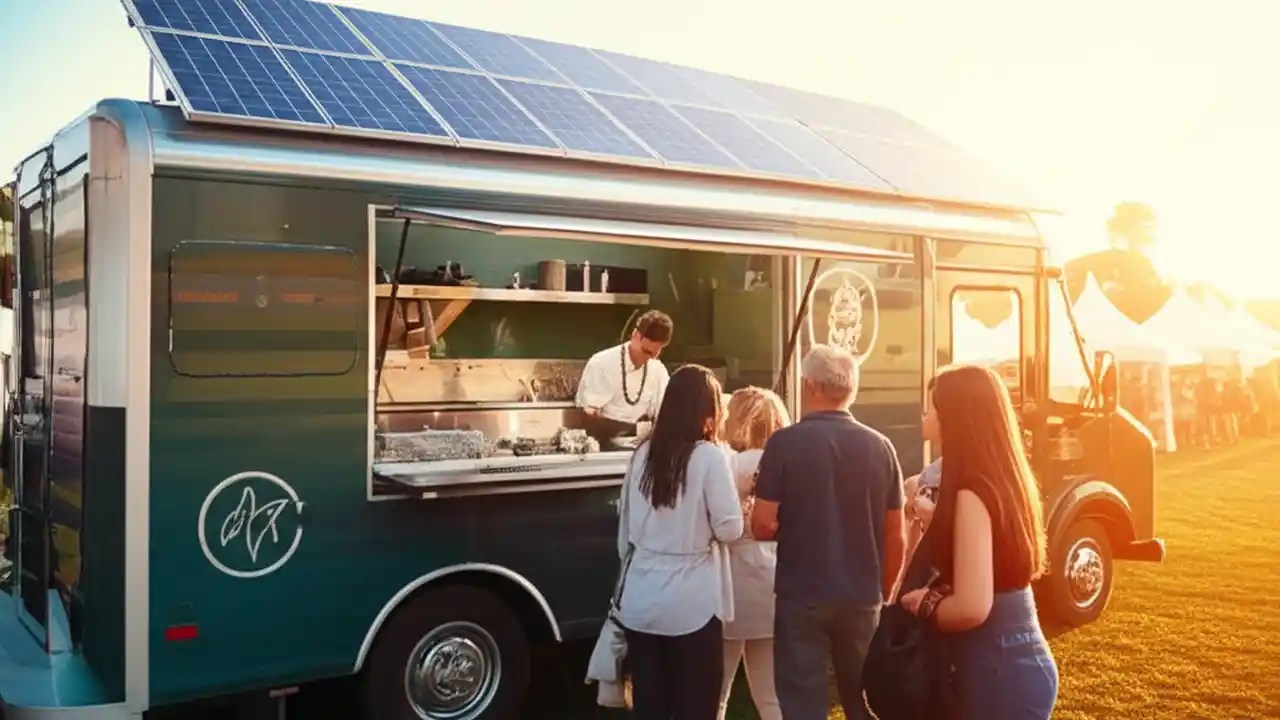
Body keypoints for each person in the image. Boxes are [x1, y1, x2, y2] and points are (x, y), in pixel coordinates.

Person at [750, 345, 907, 720]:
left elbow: (762, 523)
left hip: (801, 596)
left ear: (808, 385)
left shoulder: (784, 443)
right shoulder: (881, 447)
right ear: (851, 388)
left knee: (802, 703)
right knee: (864, 701)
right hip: (862, 595)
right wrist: (884, 592)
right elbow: (895, 534)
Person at [900, 365, 1058, 720]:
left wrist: (925, 603)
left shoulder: (973, 490)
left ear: (955, 417)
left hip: (999, 669)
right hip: (1008, 660)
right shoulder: (1001, 478)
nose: (925, 414)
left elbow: (972, 607)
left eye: (932, 406)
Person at [615, 364, 743, 720]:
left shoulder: (642, 453)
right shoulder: (708, 456)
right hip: (692, 607)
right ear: (707, 411)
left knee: (650, 706)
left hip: (641, 600)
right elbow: (730, 528)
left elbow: (624, 534)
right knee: (695, 706)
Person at [717, 387, 791, 720]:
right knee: (770, 692)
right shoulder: (787, 464)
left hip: (732, 581)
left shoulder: (730, 464)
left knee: (717, 688)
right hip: (773, 578)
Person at [577, 310, 673, 444]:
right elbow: (588, 414)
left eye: (654, 354)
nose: (648, 358)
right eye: (645, 351)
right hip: (605, 447)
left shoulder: (657, 370)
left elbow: (666, 413)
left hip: (645, 448)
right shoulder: (602, 363)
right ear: (635, 335)